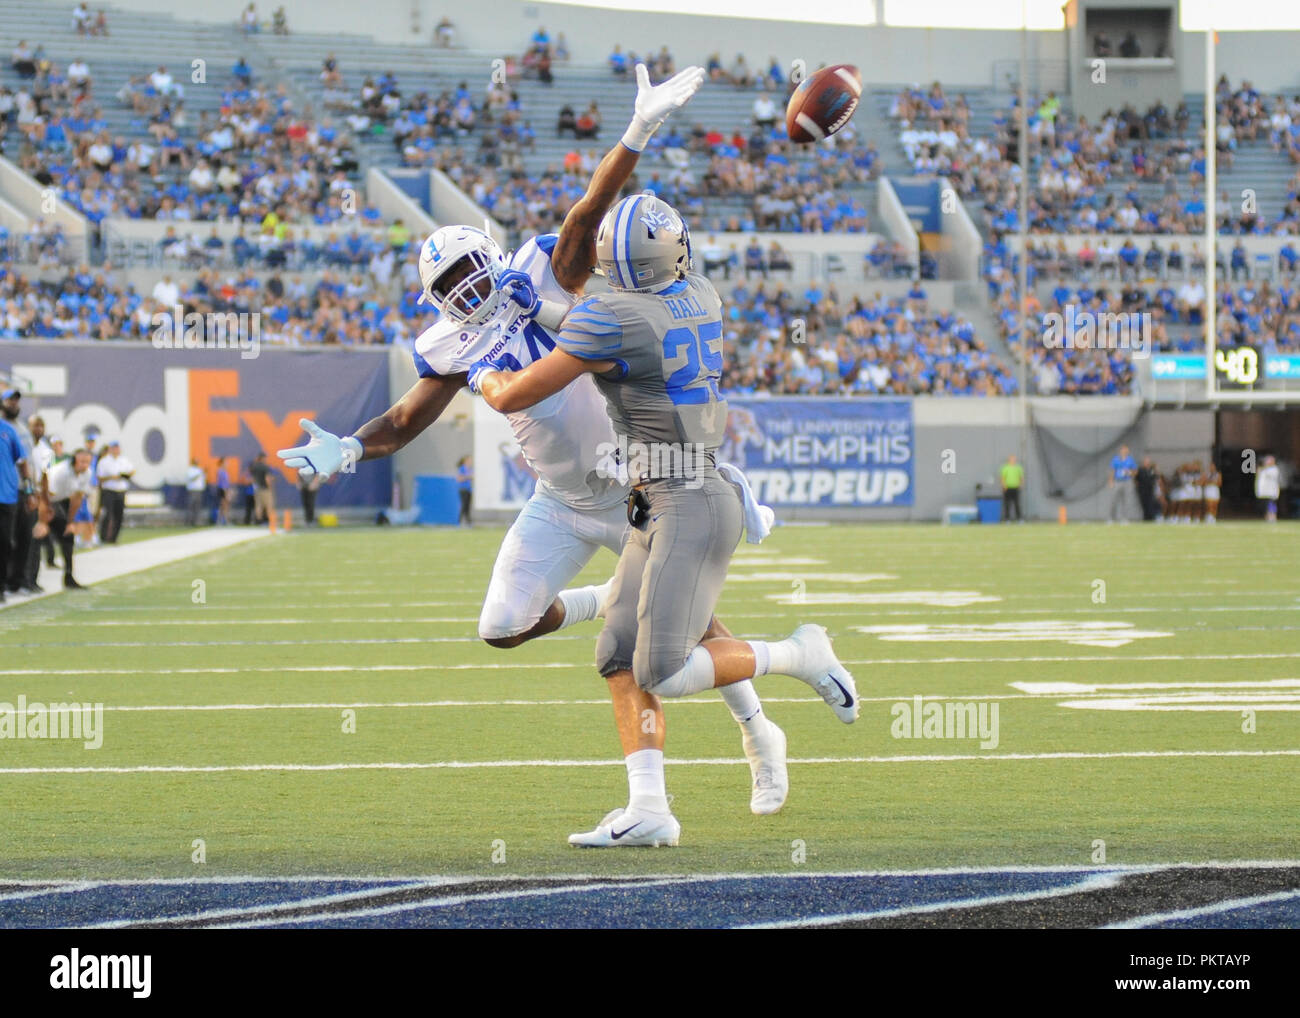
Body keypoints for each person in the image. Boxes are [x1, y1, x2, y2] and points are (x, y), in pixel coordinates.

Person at [279, 64, 792, 825]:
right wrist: (351, 448)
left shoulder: (543, 269)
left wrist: (636, 131)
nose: (464, 286)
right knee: (501, 626)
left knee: (679, 628)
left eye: (466, 266)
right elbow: (406, 417)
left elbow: (590, 210)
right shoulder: (450, 343)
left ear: (490, 252)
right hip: (560, 500)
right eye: (447, 280)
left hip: (635, 483)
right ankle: (601, 603)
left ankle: (755, 733)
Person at [472, 193, 859, 847]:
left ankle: (798, 654)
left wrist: (483, 373)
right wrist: (544, 310)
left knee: (664, 668)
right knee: (621, 656)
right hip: (676, 482)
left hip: (677, 497)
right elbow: (615, 333)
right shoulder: (700, 293)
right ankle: (651, 808)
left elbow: (517, 389)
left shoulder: (611, 313)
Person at [2, 387, 37, 593]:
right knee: (7, 538)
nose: (13, 404)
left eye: (15, 401)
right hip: (9, 490)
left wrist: (32, 489)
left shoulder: (20, 429)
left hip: (21, 490)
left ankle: (19, 580)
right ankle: (6, 581)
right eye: (9, 401)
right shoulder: (5, 428)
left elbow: (27, 461)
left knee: (24, 537)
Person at [43, 449, 92, 589]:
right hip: (47, 500)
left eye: (87, 462)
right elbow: (47, 493)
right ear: (74, 461)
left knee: (68, 537)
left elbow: (77, 498)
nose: (85, 465)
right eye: (82, 461)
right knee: (38, 539)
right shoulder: (62, 472)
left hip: (63, 500)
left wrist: (70, 522)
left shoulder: (86, 473)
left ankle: (69, 576)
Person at [95, 439, 133, 543]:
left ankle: (114, 538)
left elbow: (132, 471)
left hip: (121, 490)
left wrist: (125, 475)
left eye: (117, 448)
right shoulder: (104, 461)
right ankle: (103, 537)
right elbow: (99, 477)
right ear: (110, 449)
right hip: (109, 490)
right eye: (114, 448)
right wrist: (112, 477)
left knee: (119, 515)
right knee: (108, 514)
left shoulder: (124, 460)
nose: (116, 450)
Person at [1108, 444, 1138, 523]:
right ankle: (1111, 518)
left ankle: (1125, 518)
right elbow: (1112, 471)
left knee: (1126, 501)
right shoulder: (1116, 459)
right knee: (1113, 500)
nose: (1124, 451)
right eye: (1123, 449)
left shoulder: (1130, 460)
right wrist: (1111, 481)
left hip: (1127, 481)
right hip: (1118, 481)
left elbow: (1135, 472)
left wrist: (1129, 472)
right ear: (1120, 451)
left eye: (1126, 450)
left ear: (1128, 451)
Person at [250, 451, 276, 526]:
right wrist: (270, 487)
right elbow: (267, 478)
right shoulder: (265, 467)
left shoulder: (254, 467)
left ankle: (258, 521)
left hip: (257, 488)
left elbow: (252, 478)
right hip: (265, 488)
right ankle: (269, 521)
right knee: (268, 505)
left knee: (258, 505)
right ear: (263, 458)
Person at [1256, 454, 1281, 521]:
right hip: (1264, 491)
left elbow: (1270, 475)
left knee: (1271, 504)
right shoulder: (1263, 469)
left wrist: (1264, 468)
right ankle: (1267, 516)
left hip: (1271, 491)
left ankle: (1273, 516)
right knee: (1265, 505)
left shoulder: (1274, 469)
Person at [1000, 453, 1023, 522]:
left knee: (1017, 504)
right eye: (1011, 459)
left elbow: (1021, 477)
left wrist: (1020, 485)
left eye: (1014, 459)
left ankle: (1019, 518)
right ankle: (1007, 519)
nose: (1013, 460)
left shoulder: (1018, 468)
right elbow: (1002, 478)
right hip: (1008, 488)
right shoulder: (1005, 467)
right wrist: (1004, 486)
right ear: (1009, 460)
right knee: (1007, 504)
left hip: (1015, 487)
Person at [1136, 455, 1160, 521]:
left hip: (1150, 489)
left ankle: (1151, 517)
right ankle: (1145, 517)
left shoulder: (1152, 470)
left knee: (1150, 503)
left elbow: (1156, 477)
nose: (1147, 463)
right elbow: (1137, 479)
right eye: (1146, 462)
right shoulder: (1140, 470)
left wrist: (1157, 471)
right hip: (1142, 489)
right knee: (1144, 504)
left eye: (1148, 462)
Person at [184, 458, 206, 526]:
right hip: (192, 490)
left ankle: (197, 522)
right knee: (191, 506)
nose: (197, 463)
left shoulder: (199, 469)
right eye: (196, 461)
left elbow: (203, 480)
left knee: (198, 507)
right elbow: (192, 479)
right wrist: (199, 474)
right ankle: (188, 522)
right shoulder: (190, 470)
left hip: (199, 490)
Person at [456, 455, 473, 525]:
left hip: (469, 489)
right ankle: (459, 521)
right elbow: (459, 479)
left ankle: (468, 522)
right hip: (463, 489)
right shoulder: (462, 469)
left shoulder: (470, 469)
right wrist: (467, 477)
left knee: (468, 506)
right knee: (463, 505)